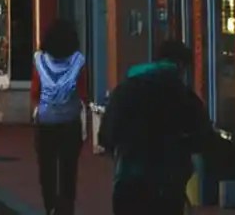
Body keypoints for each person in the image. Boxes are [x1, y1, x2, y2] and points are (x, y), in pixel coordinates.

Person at [98, 40, 216, 215]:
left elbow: (106, 136)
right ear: (180, 66)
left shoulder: (125, 90)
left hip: (129, 180)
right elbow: (203, 138)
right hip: (168, 185)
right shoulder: (184, 96)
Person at [31, 20, 88, 215]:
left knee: (46, 167)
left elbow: (35, 91)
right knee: (68, 168)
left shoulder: (40, 60)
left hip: (46, 120)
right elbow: (83, 92)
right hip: (70, 121)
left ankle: (50, 206)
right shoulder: (78, 61)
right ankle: (66, 207)